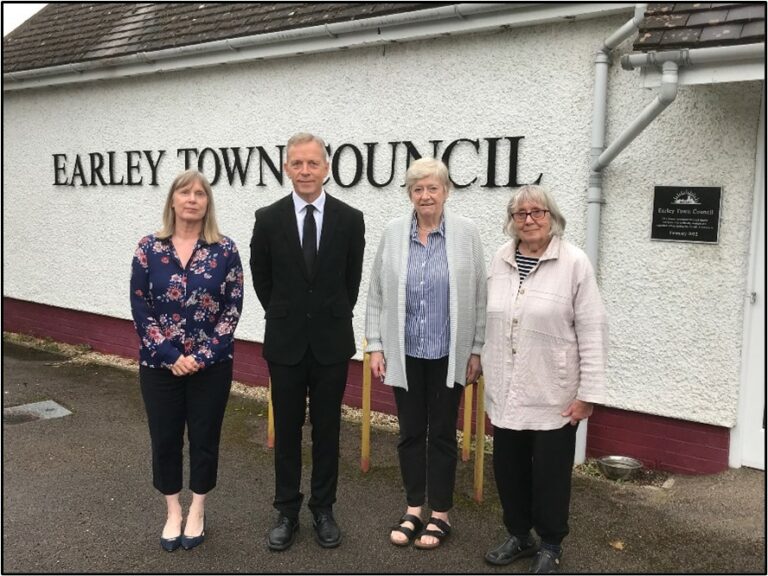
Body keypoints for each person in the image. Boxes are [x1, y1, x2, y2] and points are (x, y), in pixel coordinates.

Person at [482, 184, 607, 573]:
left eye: (538, 212)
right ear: (512, 222)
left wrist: (589, 393)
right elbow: (488, 319)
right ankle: (520, 535)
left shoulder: (574, 263)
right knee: (508, 470)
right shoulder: (501, 259)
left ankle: (551, 544)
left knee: (550, 477)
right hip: (506, 390)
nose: (530, 220)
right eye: (521, 214)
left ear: (552, 218)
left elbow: (592, 328)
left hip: (554, 392)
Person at [249, 132, 365, 551]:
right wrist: (287, 311)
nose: (305, 171)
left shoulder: (350, 219)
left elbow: (350, 282)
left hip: (332, 344)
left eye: (312, 163)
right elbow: (262, 278)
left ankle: (323, 508)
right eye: (297, 163)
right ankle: (286, 511)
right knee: (287, 430)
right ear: (286, 168)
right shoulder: (268, 218)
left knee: (328, 430)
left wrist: (326, 314)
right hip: (286, 342)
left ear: (327, 167)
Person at [365, 157, 487, 550]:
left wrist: (476, 348)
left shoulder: (466, 234)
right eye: (417, 189)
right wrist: (376, 345)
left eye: (432, 188)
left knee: (444, 436)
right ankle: (414, 506)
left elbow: (480, 297)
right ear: (409, 194)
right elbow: (377, 293)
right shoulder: (394, 232)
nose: (425, 195)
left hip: (448, 353)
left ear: (446, 191)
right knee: (410, 433)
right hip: (406, 353)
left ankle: (441, 515)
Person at [130, 169, 244, 552]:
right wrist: (170, 355)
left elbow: (232, 309)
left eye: (200, 193)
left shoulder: (224, 250)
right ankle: (172, 511)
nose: (193, 199)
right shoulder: (149, 248)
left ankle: (197, 509)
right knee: (165, 438)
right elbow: (140, 305)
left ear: (207, 202)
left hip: (210, 367)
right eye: (185, 192)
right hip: (158, 367)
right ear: (173, 200)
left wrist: (201, 355)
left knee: (204, 438)